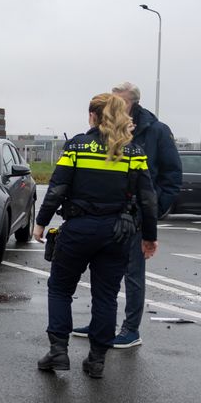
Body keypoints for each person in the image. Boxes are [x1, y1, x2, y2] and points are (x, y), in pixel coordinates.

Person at [34, 93, 159, 379]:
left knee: (61, 288)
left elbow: (57, 187)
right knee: (106, 295)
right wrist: (149, 236)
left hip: (79, 229)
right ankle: (96, 360)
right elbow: (148, 199)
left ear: (93, 116)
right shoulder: (134, 152)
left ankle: (58, 350)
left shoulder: (77, 145)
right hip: (117, 233)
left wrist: (41, 222)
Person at [72, 82, 181, 349]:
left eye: (118, 100)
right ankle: (101, 322)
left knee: (133, 274)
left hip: (136, 215)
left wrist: (152, 210)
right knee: (102, 271)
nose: (114, 105)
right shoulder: (107, 127)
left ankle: (131, 330)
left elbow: (171, 176)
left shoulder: (156, 131)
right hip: (108, 213)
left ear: (132, 102)